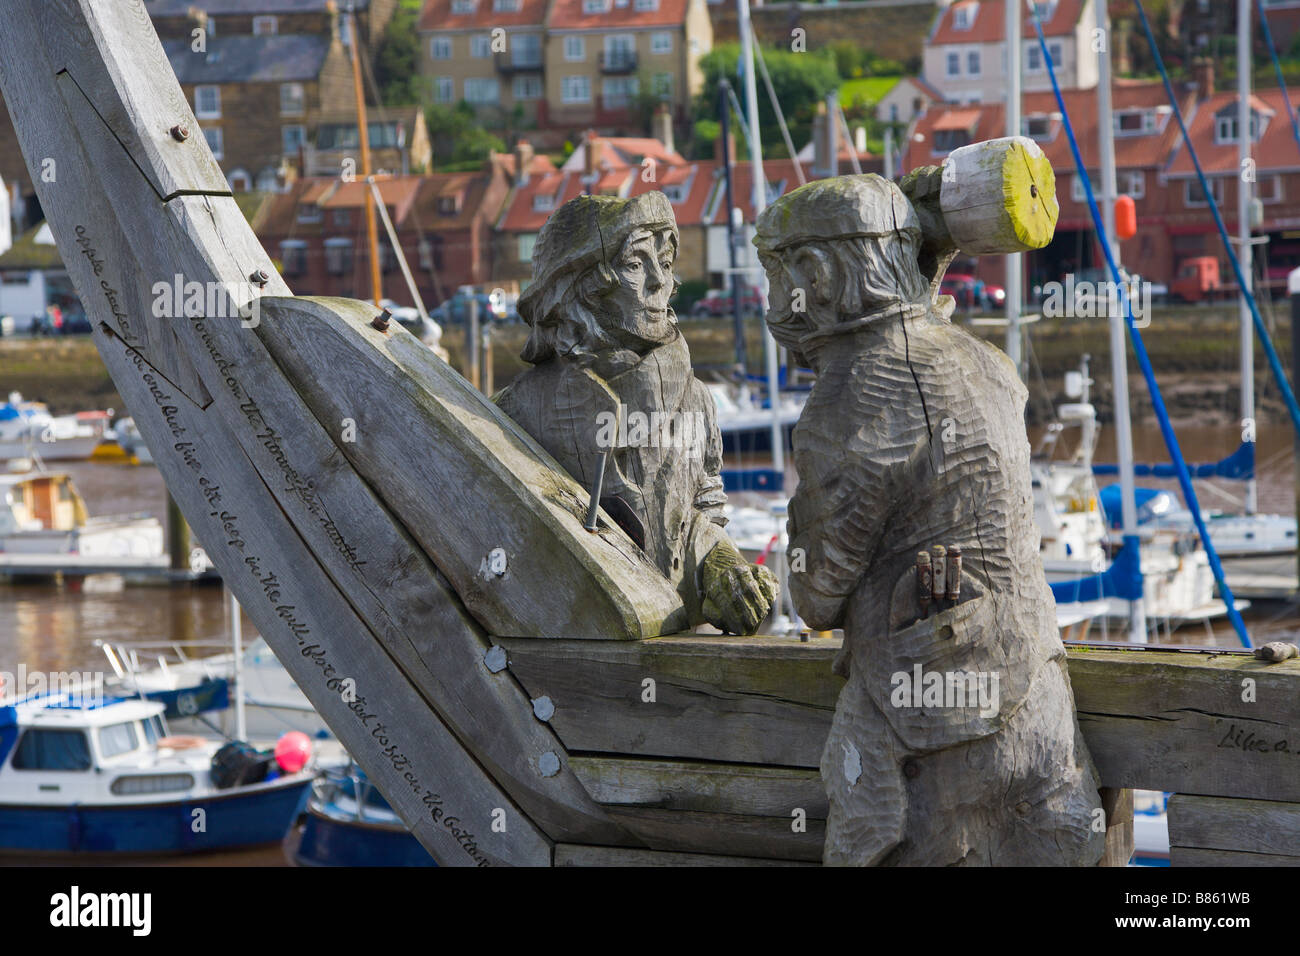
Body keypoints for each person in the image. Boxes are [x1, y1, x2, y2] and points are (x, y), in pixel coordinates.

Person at [755, 174, 1104, 865]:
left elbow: (817, 596)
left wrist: (799, 521)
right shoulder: (988, 363)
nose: (773, 303)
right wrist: (917, 250)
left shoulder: (851, 398)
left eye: (776, 277)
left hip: (924, 742)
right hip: (1037, 711)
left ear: (815, 277)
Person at [495, 191, 776, 635]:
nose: (659, 282)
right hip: (569, 648)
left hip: (680, 658)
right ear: (581, 288)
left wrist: (724, 567)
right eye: (634, 264)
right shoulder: (521, 408)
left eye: (664, 263)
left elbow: (703, 513)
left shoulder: (696, 399)